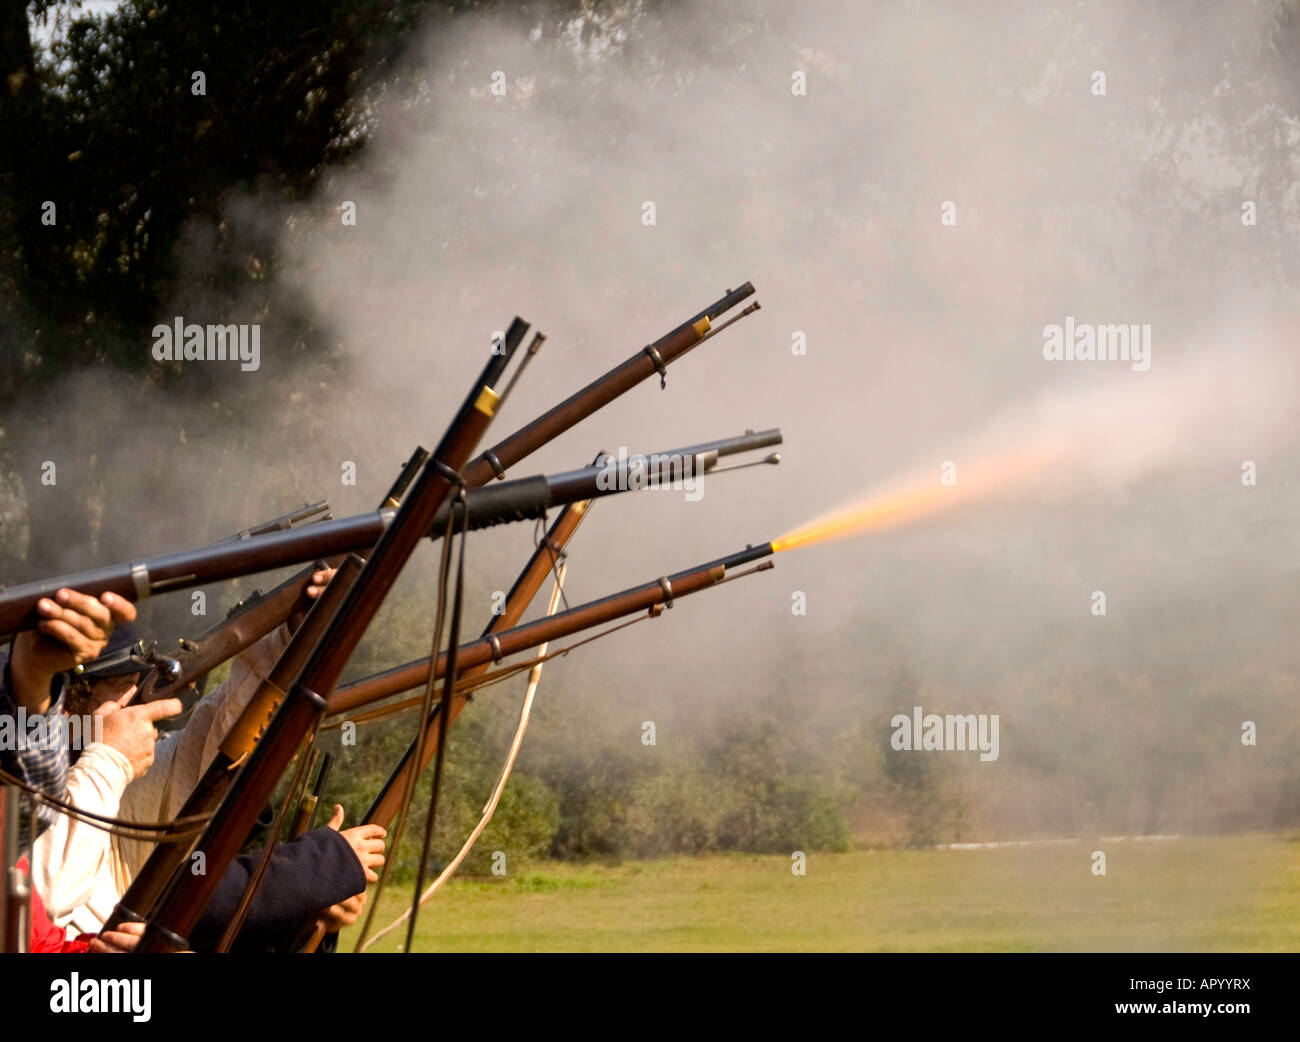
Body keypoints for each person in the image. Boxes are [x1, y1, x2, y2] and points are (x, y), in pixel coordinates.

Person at [30, 567, 386, 951]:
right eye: (118, 692)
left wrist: (293, 638)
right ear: (63, 707)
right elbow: (47, 896)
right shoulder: (41, 786)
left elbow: (218, 743)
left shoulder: (114, 778)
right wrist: (108, 756)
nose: (133, 709)